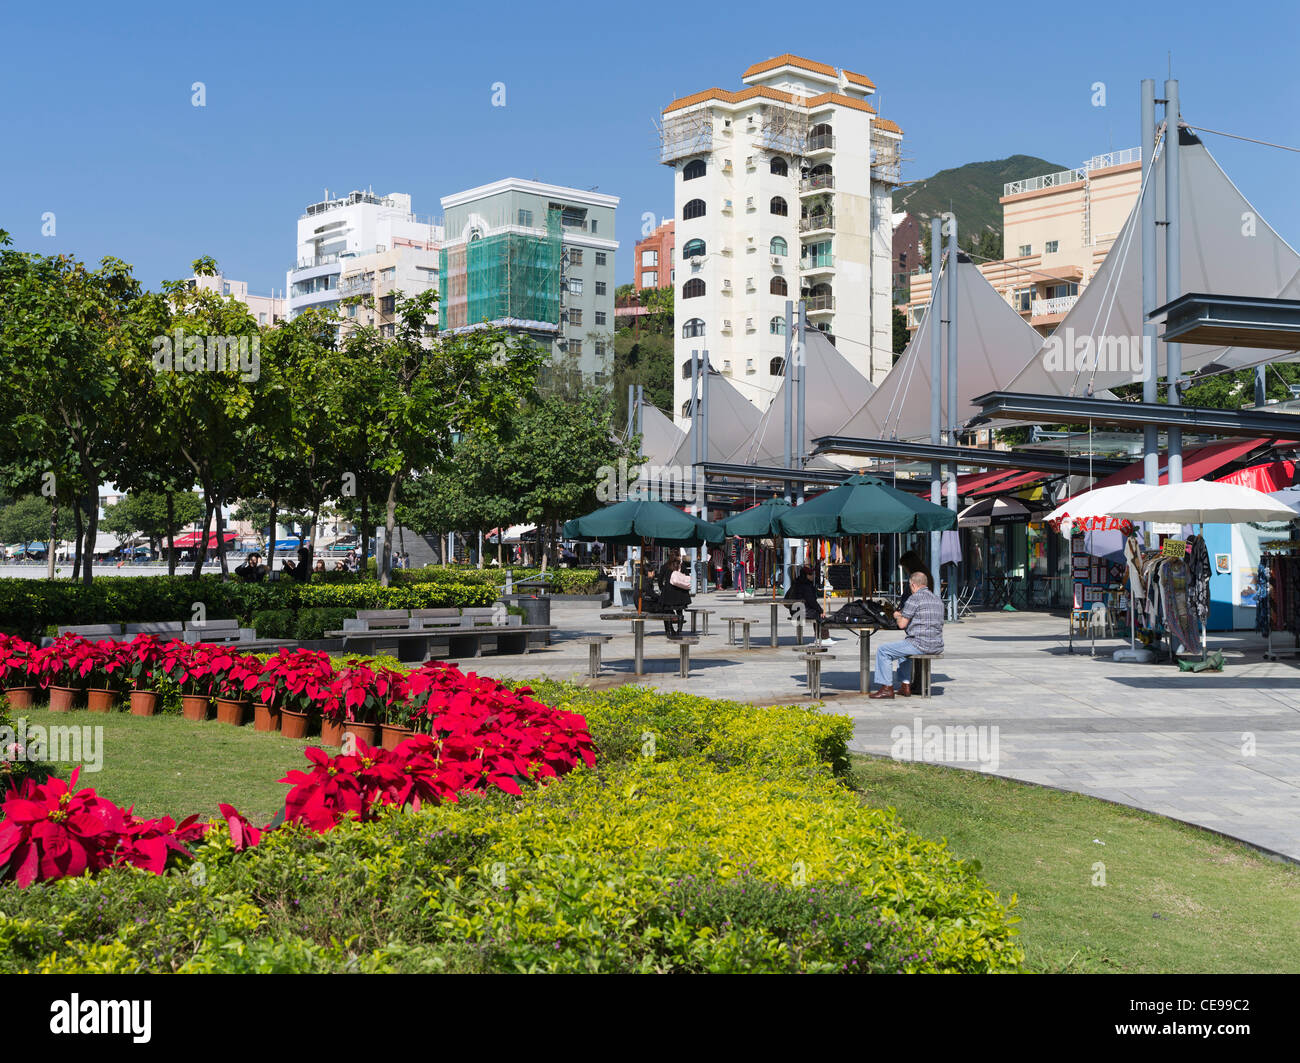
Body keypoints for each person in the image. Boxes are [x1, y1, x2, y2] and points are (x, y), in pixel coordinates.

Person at [870, 571, 944, 699]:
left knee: (883, 651)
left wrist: (897, 616)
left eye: (910, 586)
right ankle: (905, 686)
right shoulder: (937, 599)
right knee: (903, 651)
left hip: (920, 644)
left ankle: (887, 688)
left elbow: (902, 625)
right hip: (937, 644)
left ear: (913, 585)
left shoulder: (914, 598)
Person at [784, 565, 830, 645]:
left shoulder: (796, 583)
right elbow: (812, 602)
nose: (813, 576)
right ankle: (824, 638)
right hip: (802, 611)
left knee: (816, 614)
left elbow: (786, 599)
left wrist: (791, 608)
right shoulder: (807, 585)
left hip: (794, 612)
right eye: (811, 574)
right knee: (821, 616)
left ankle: (819, 637)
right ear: (806, 575)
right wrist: (821, 611)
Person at [657, 555, 691, 636]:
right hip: (681, 593)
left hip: (668, 593)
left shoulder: (665, 566)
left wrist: (662, 588)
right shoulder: (681, 566)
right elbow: (687, 576)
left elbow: (660, 579)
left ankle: (669, 630)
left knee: (667, 612)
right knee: (680, 612)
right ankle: (679, 630)